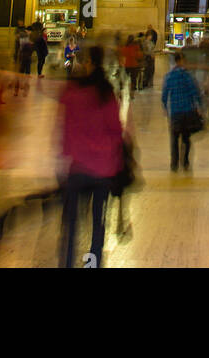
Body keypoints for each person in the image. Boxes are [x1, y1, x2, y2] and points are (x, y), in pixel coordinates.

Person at [59, 46, 124, 268]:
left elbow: (63, 129)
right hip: (102, 169)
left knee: (71, 223)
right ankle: (93, 263)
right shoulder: (106, 92)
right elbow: (116, 131)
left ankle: (67, 263)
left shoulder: (73, 92)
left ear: (86, 64)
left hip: (77, 167)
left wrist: (62, 158)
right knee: (98, 223)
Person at [161, 52, 203, 172]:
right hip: (187, 111)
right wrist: (199, 106)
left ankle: (174, 164)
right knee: (186, 138)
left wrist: (165, 109)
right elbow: (195, 92)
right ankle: (185, 162)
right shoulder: (188, 76)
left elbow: (164, 96)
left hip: (175, 112)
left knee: (174, 139)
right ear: (182, 61)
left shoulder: (169, 76)